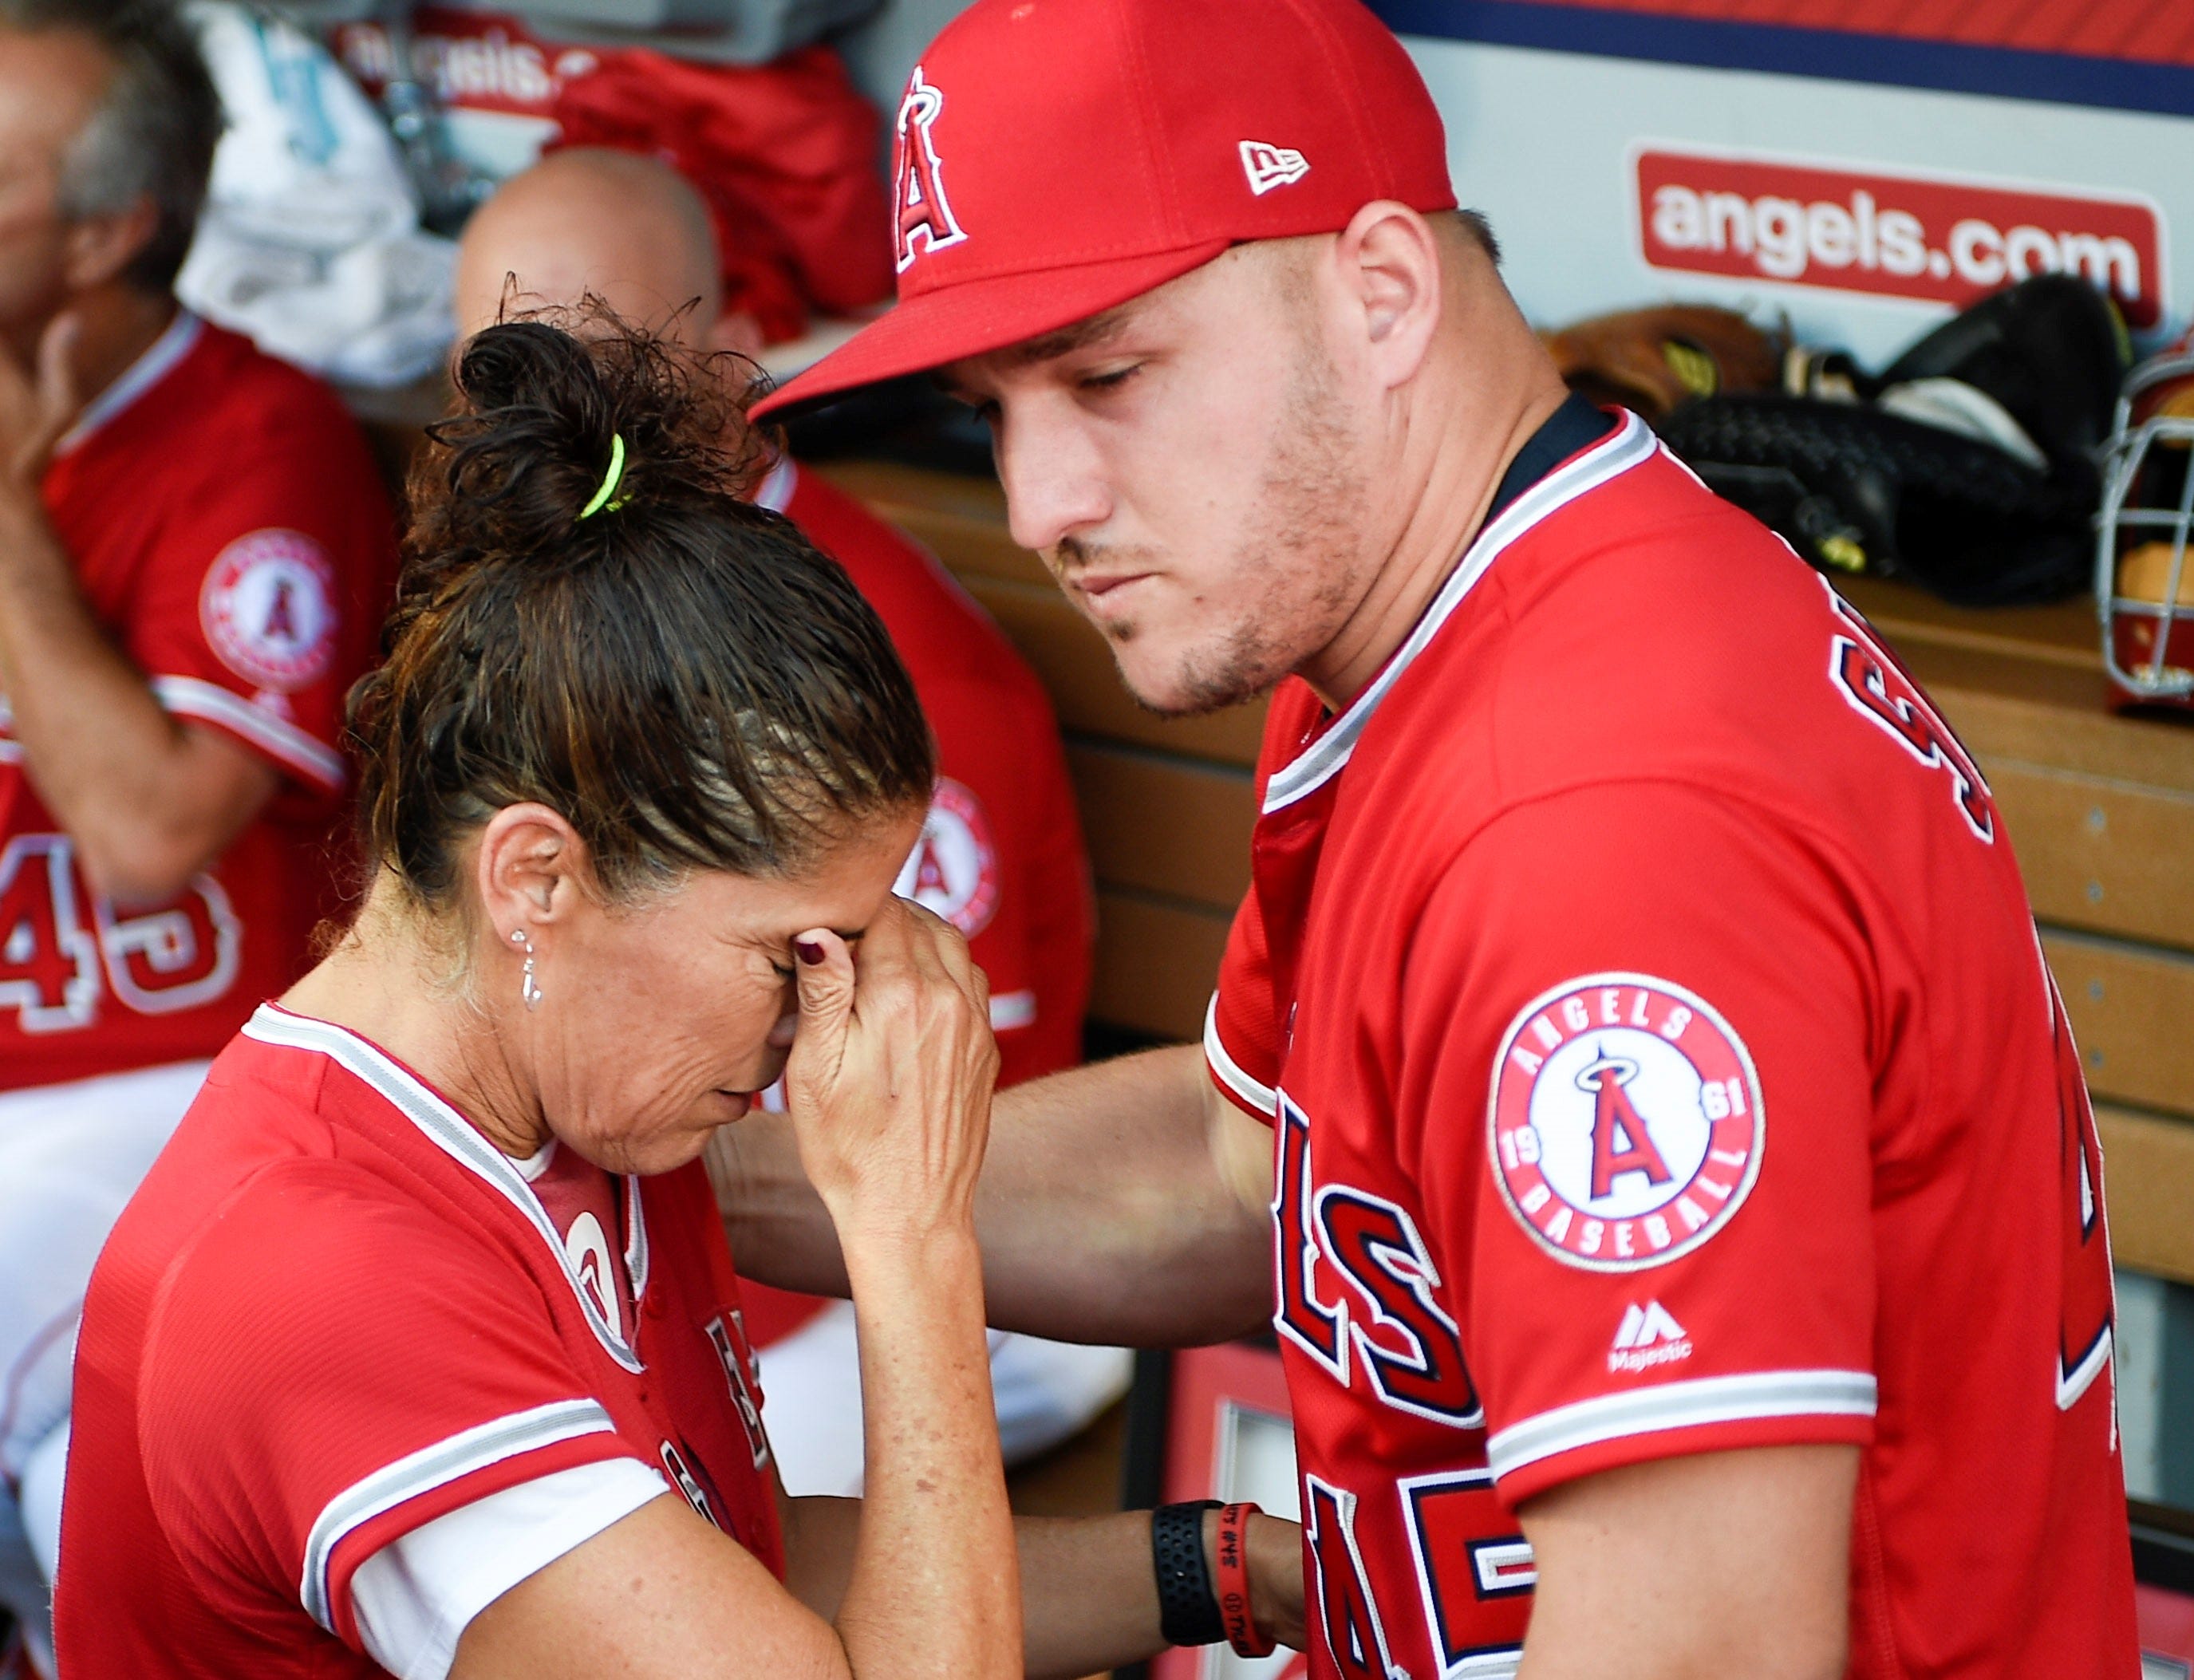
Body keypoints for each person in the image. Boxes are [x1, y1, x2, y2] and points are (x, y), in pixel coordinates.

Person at [717, 0, 2145, 1674]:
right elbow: (1261, 1178)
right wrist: (661, 1167)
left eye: (1108, 376)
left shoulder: (1598, 824)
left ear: (1381, 292)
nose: (1039, 503)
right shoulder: (1436, 618)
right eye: (995, 405)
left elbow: (1703, 1654)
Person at [56, 314, 1304, 1679]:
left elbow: (746, 1576)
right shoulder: (328, 1279)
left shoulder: (559, 1106)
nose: (808, 1023)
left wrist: (1247, 1567)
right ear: (536, 875)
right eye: (789, 953)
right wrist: (911, 1248)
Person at [451, 146, 1122, 1495]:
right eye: (497, 379)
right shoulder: (545, 597)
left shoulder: (883, 671)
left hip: (929, 1258)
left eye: (591, 372)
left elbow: (905, 1130)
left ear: (735, 365)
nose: (537, 432)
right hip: (640, 1212)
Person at [0, 2, 396, 1670]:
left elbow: (156, 829)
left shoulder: (255, 443)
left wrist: (3, 520)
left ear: (108, 233)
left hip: (181, 1073)